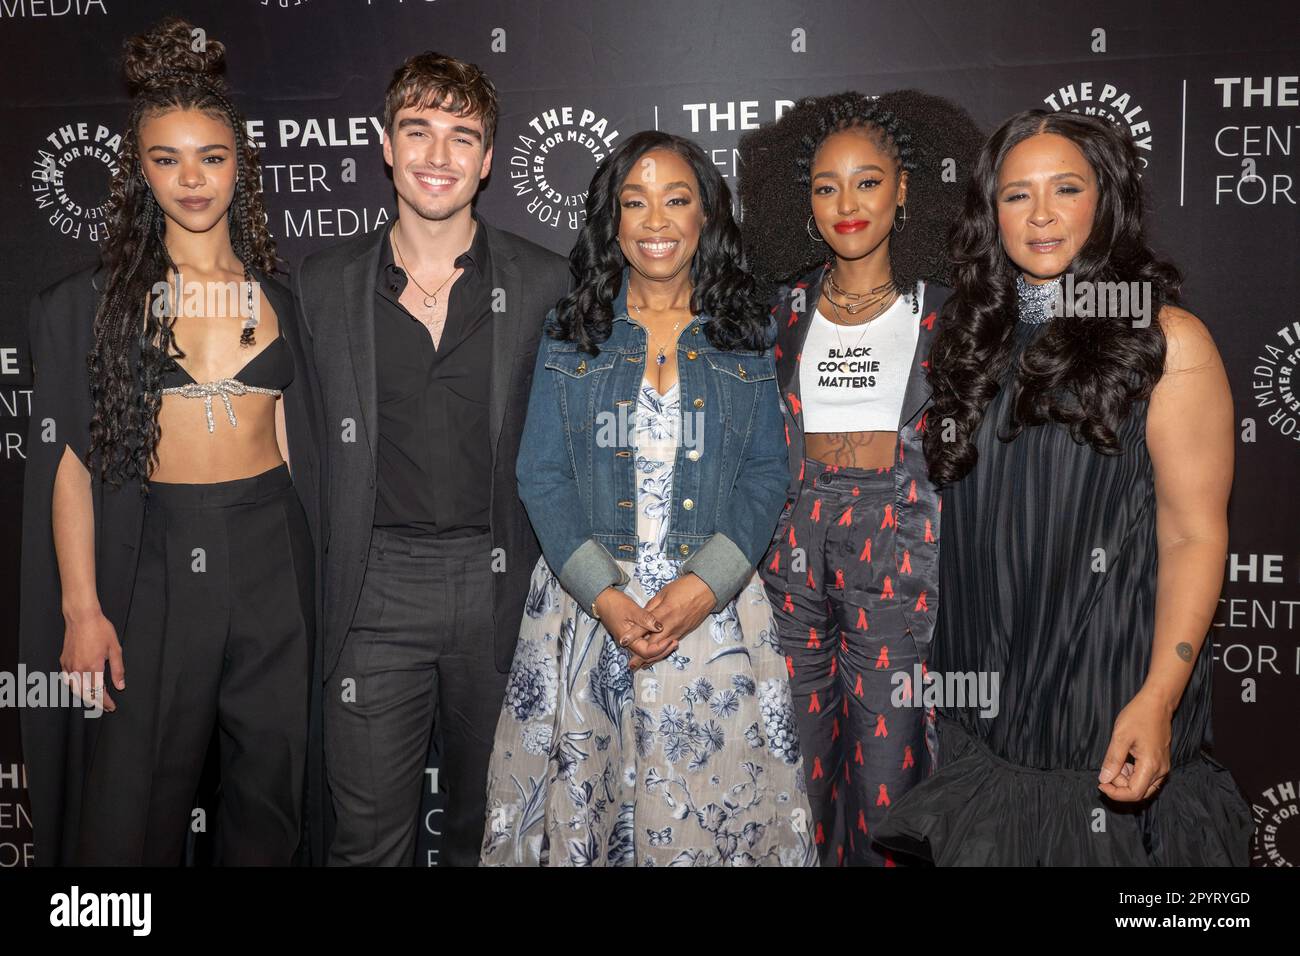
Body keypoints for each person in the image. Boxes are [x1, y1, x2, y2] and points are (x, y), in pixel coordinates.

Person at [872, 110, 1255, 865]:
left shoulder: (1167, 341)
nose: (1041, 214)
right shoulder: (970, 338)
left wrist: (1159, 698)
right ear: (991, 213)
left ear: (1105, 201)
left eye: (1066, 189)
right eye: (1016, 195)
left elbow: (1193, 533)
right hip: (984, 715)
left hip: (1101, 703)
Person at [18, 16, 322, 866]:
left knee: (273, 794)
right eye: (167, 159)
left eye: (212, 157)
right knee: (130, 802)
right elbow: (71, 466)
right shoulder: (91, 304)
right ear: (140, 172)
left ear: (240, 167)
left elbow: (304, 457)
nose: (193, 180)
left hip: (272, 551)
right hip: (156, 556)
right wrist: (82, 608)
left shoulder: (282, 300)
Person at [480, 130, 817, 867]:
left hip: (713, 619)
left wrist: (705, 587)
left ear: (706, 217)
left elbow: (767, 471)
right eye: (635, 202)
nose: (655, 221)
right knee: (587, 825)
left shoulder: (744, 334)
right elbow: (541, 473)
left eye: (676, 200)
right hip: (587, 616)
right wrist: (605, 595)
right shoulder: (574, 331)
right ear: (613, 221)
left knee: (710, 820)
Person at [297, 51, 570, 866]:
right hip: (372, 589)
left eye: (462, 136)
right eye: (418, 131)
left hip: (506, 589)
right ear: (386, 145)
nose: (438, 156)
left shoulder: (544, 281)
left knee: (491, 835)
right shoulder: (322, 285)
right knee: (367, 841)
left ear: (488, 161)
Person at [737, 90, 983, 865]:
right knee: (792, 768)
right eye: (825, 186)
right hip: (787, 551)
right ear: (801, 200)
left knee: (890, 779)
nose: (847, 204)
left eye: (868, 181)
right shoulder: (780, 308)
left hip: (900, 549)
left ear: (905, 188)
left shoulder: (952, 311)